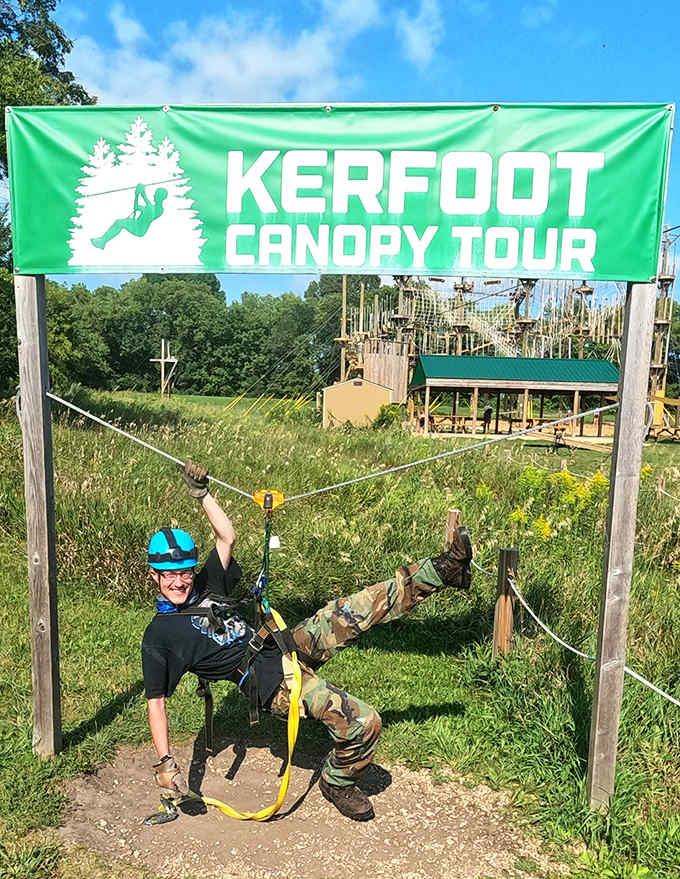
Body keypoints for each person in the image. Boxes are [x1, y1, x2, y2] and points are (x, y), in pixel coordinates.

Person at [143, 461, 473, 822]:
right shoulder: (160, 636)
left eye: (184, 572)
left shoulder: (207, 585)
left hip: (281, 644)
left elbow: (227, 537)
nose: (179, 582)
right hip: (269, 682)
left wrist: (202, 494)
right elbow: (156, 703)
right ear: (154, 575)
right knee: (364, 721)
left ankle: (443, 571)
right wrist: (165, 762)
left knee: (354, 608)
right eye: (169, 574)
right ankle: (337, 781)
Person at [91, 183, 168, 249]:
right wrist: (137, 195)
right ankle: (103, 240)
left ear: (161, 197)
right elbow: (136, 207)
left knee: (120, 223)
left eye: (156, 194)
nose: (154, 195)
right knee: (118, 222)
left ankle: (102, 241)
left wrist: (143, 193)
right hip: (136, 224)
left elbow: (151, 211)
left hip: (140, 229)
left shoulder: (159, 210)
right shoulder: (150, 206)